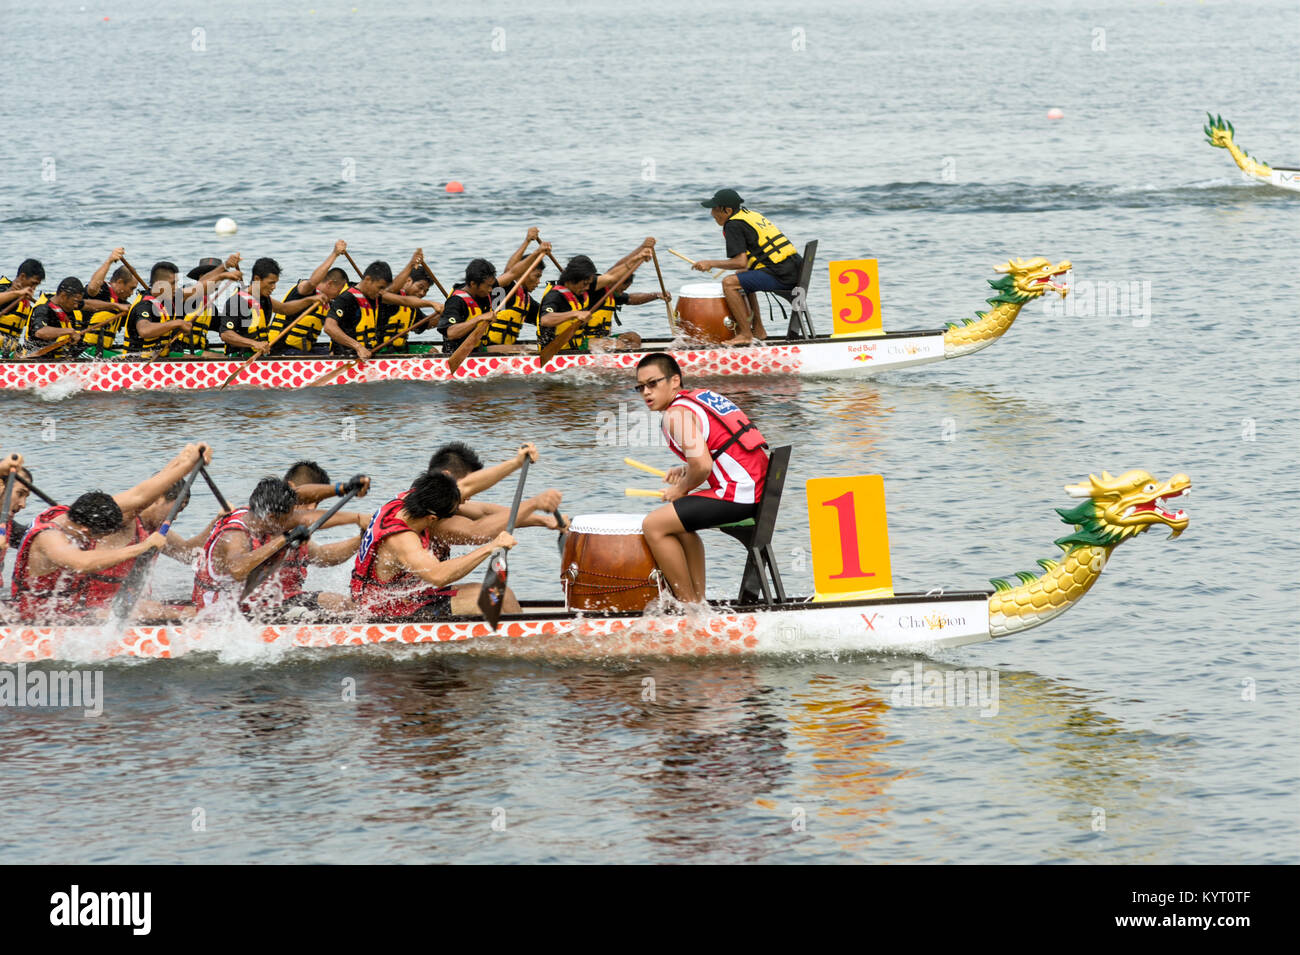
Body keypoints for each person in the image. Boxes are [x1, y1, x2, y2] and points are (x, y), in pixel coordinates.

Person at [633, 352, 770, 605]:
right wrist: (686, 470)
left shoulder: (676, 415)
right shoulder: (697, 399)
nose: (646, 392)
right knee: (679, 525)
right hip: (758, 486)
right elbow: (723, 449)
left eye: (653, 383)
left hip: (741, 493)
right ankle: (697, 603)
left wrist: (682, 487)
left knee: (654, 525)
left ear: (675, 381)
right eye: (640, 387)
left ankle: (688, 608)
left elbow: (703, 465)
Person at [351, 470, 517, 620]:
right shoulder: (402, 539)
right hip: (384, 610)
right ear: (432, 519)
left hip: (401, 594)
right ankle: (525, 644)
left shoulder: (407, 500)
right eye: (453, 514)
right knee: (493, 597)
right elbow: (438, 576)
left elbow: (468, 486)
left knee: (504, 595)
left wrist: (515, 463)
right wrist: (491, 547)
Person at [192, 476, 360, 618]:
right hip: (217, 614)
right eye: (287, 519)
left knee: (338, 604)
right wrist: (285, 539)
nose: (291, 521)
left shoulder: (258, 513)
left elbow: (307, 516)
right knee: (334, 603)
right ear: (271, 517)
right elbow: (237, 569)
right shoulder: (235, 535)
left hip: (245, 604)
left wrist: (345, 492)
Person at [693, 188, 803, 344]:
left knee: (729, 283)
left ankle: (745, 334)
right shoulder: (750, 215)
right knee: (741, 277)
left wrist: (710, 263)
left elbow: (740, 262)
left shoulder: (733, 225)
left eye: (715, 209)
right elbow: (745, 264)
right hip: (794, 269)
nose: (712, 214)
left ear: (728, 210)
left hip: (782, 275)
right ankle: (758, 330)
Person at [536, 244, 659, 352]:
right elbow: (545, 319)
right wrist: (575, 314)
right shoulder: (555, 295)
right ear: (573, 279)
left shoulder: (582, 287)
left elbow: (612, 275)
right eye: (585, 284)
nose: (589, 288)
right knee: (618, 345)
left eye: (590, 283)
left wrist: (639, 258)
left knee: (633, 337)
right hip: (556, 350)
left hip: (577, 343)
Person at [436, 247, 543, 355]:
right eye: (488, 286)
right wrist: (479, 318)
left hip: (478, 350)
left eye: (492, 286)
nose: (492, 290)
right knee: (522, 351)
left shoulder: (485, 290)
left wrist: (537, 252)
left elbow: (512, 273)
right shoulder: (456, 301)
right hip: (456, 354)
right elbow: (451, 332)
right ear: (473, 284)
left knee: (524, 350)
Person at [219, 257, 325, 357]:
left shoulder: (263, 298)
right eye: (271, 283)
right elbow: (225, 334)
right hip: (239, 358)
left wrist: (310, 300)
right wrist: (254, 344)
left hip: (261, 356)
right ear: (257, 279)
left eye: (275, 283)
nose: (274, 287)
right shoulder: (236, 301)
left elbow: (285, 309)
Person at [322, 260, 393, 359]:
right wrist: (358, 347)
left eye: (384, 289)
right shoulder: (346, 298)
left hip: (368, 357)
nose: (381, 292)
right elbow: (328, 327)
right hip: (344, 358)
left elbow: (403, 299)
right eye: (380, 287)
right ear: (368, 279)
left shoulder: (375, 298)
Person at [122, 262, 194, 355]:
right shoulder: (144, 306)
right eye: (173, 283)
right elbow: (144, 331)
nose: (176, 288)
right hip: (137, 364)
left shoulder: (164, 301)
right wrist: (177, 323)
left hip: (159, 360)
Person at [27, 278, 89, 356]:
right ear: (63, 296)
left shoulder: (65, 301)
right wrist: (69, 331)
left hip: (61, 356)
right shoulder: (42, 308)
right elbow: (40, 332)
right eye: (75, 302)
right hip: (38, 358)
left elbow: (89, 304)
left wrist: (109, 306)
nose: (76, 306)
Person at [0, 259, 45, 352]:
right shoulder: (3, 288)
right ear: (22, 276)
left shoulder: (25, 303)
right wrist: (17, 293)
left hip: (8, 351)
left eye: (36, 285)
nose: (34, 288)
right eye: (33, 283)